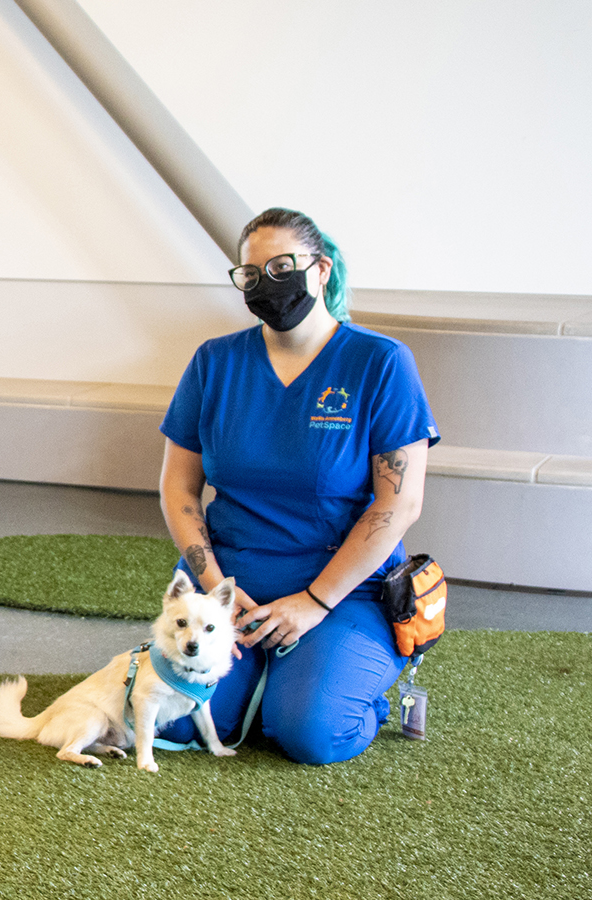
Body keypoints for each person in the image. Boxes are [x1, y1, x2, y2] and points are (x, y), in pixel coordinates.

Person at [157, 207, 439, 765]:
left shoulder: (380, 362)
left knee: (311, 732)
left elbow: (399, 503)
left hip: (344, 589)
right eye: (252, 274)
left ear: (322, 269)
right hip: (230, 588)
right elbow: (178, 490)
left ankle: (331, 686)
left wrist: (313, 602)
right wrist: (216, 593)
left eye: (283, 267)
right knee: (175, 720)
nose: (268, 283)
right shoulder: (214, 362)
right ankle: (269, 680)